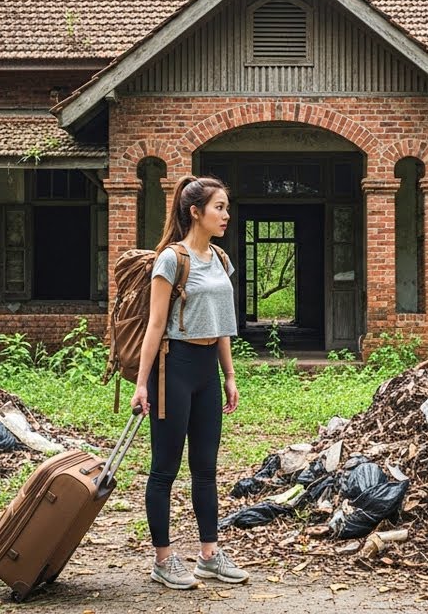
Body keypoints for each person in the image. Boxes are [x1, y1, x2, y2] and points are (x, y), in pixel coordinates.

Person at [129, 174, 249, 590]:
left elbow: (221, 327)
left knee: (206, 469)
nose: (226, 215)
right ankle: (163, 559)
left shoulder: (220, 259)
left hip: (206, 371)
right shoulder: (171, 260)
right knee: (164, 469)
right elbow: (155, 324)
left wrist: (229, 375)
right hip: (173, 366)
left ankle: (209, 555)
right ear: (195, 212)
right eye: (220, 207)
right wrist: (141, 384)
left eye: (227, 207)